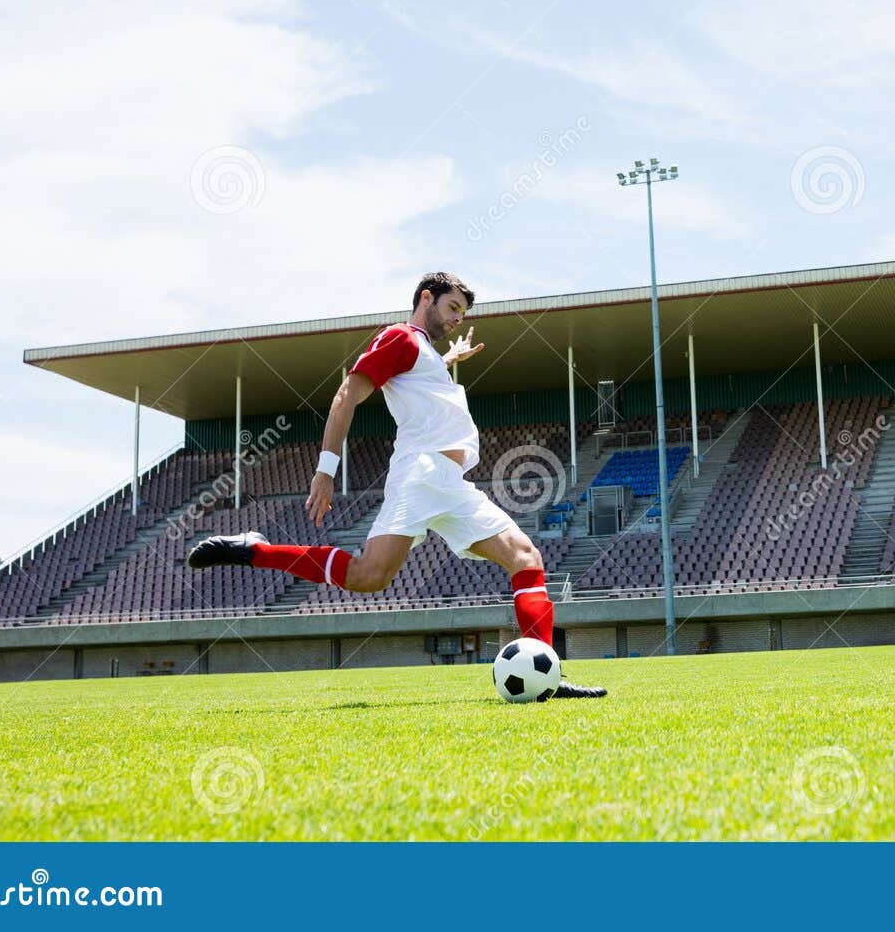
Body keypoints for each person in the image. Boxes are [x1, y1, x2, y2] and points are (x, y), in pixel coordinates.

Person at [187, 271, 606, 698]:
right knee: (369, 576)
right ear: (427, 298)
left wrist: (446, 362)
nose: (458, 318)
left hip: (451, 482)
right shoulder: (400, 337)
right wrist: (325, 469)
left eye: (462, 312)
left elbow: (415, 386)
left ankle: (547, 676)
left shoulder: (421, 351)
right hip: (421, 475)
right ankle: (255, 549)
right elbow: (347, 394)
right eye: (452, 308)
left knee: (525, 556)